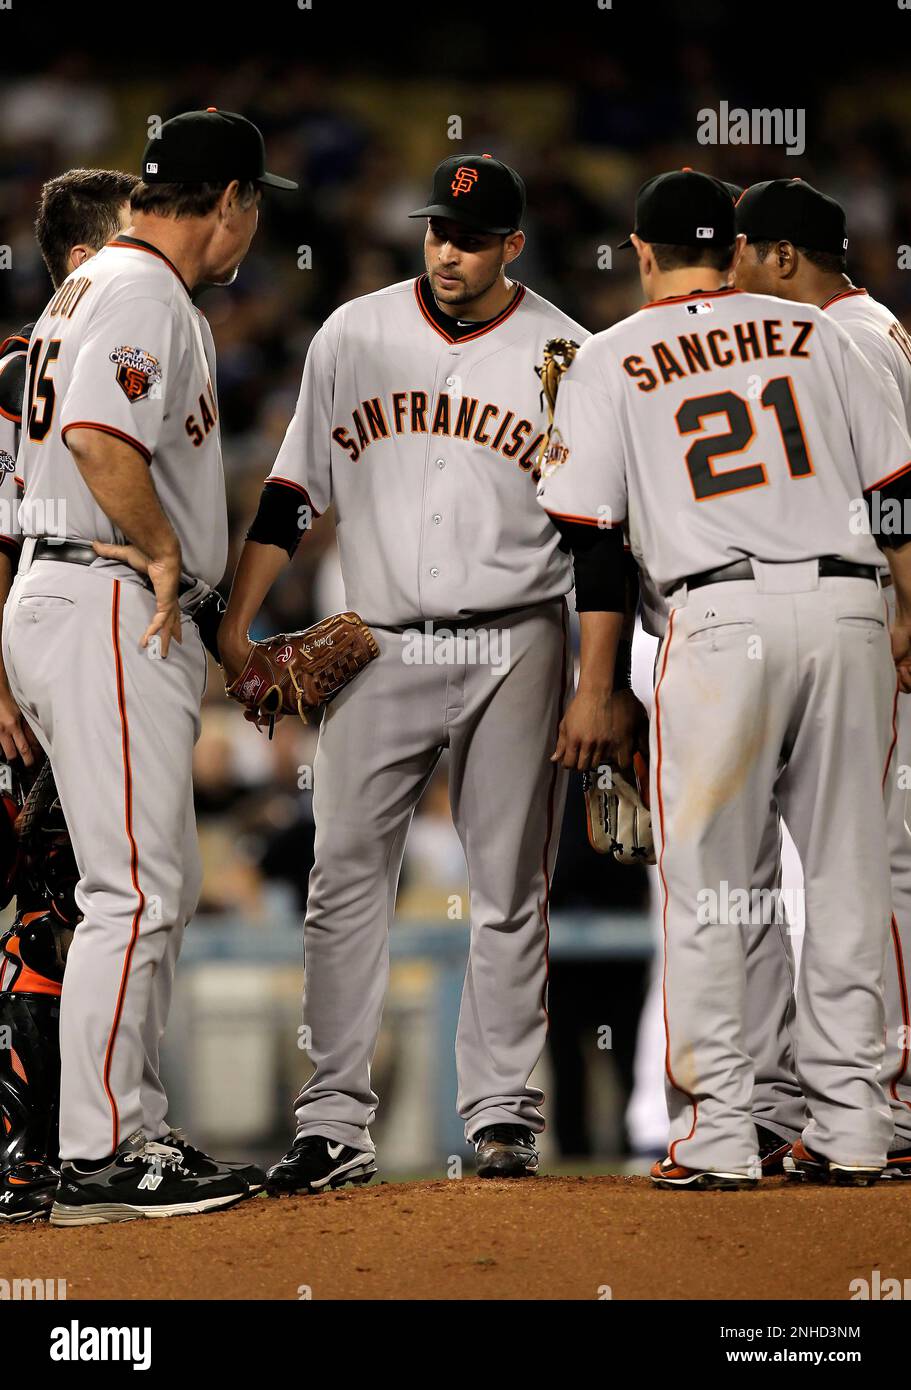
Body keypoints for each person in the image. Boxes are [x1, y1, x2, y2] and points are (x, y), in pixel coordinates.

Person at [219, 152, 629, 1193]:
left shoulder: (567, 352)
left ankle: (499, 1116)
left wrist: (596, 680)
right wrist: (238, 622)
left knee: (507, 887)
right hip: (381, 637)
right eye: (438, 233)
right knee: (342, 878)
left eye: (473, 238)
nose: (448, 252)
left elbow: (593, 539)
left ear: (512, 246)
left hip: (516, 635)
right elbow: (288, 490)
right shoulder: (351, 332)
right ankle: (330, 1123)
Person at [538, 167, 911, 1188]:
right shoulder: (826, 331)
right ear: (734, 251)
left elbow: (597, 546)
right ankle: (853, 1127)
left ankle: (719, 1134)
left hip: (716, 615)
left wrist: (598, 686)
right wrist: (907, 603)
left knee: (713, 888)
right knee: (846, 872)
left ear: (643, 251)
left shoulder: (611, 355)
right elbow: (895, 490)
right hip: (847, 607)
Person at [2, 109, 296, 1224]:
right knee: (136, 888)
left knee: (129, 887)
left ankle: (118, 1130)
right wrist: (171, 552)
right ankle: (106, 1146)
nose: (251, 236)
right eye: (252, 211)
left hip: (68, 588)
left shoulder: (91, 285)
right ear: (228, 203)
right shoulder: (140, 289)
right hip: (104, 594)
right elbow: (95, 433)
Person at [733, 177, 911, 1179]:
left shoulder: (842, 335)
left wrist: (902, 604)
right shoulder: (867, 325)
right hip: (867, 615)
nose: (732, 269)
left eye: (746, 251)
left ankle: (888, 1088)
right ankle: (846, 1086)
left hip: (878, 619)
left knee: (874, 860)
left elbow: (892, 494)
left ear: (785, 259)